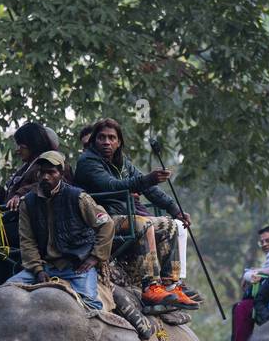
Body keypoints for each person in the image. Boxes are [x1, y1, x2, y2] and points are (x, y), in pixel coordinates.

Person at [73, 117, 199, 309]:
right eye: (101, 138)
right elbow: (111, 185)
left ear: (119, 142)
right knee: (142, 222)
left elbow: (148, 187)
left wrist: (175, 209)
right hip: (101, 220)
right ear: (94, 141)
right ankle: (150, 286)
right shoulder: (87, 162)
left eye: (111, 138)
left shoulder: (123, 162)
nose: (106, 142)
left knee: (170, 224)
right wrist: (148, 179)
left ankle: (171, 284)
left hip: (123, 216)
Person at [7, 151, 114, 310]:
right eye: (42, 172)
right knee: (6, 292)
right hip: (46, 265)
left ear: (61, 174)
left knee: (91, 305)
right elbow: (27, 240)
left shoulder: (78, 197)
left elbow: (106, 224)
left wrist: (95, 257)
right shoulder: (28, 203)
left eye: (51, 172)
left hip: (75, 266)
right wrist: (37, 270)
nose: (45, 177)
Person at [0, 122, 60, 290]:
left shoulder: (48, 165)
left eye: (22, 146)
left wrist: (21, 195)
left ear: (33, 145)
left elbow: (44, 186)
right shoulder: (25, 168)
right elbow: (5, 201)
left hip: (38, 226)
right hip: (16, 223)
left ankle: (2, 292)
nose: (17, 150)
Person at [214, 225, 269, 341]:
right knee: (240, 306)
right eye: (262, 242)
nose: (264, 244)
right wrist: (254, 272)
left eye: (268, 240)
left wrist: (252, 273)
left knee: (242, 307)